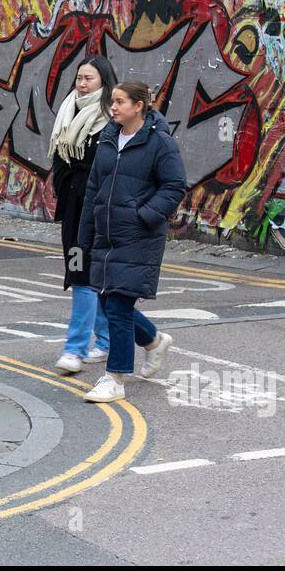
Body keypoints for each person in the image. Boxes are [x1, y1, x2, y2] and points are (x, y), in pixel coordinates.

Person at [77, 81, 186, 403]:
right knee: (106, 302)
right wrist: (84, 236)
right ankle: (153, 340)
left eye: (121, 101)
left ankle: (115, 379)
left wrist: (145, 216)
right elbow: (93, 190)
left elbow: (175, 186)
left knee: (119, 305)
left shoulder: (160, 143)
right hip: (106, 236)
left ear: (139, 106)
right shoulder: (108, 139)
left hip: (138, 236)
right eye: (113, 101)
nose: (114, 107)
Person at [49, 56, 117, 375]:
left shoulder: (110, 119)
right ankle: (108, 341)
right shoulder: (68, 110)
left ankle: (74, 349)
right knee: (91, 276)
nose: (82, 83)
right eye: (79, 77)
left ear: (104, 80)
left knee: (82, 276)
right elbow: (60, 158)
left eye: (89, 78)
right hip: (75, 209)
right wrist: (66, 186)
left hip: (100, 212)